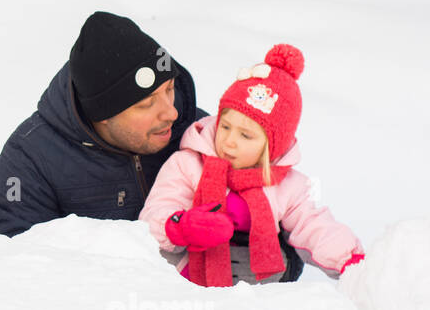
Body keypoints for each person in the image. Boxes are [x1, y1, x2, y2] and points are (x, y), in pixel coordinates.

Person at [138, 44, 363, 286]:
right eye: (225, 127)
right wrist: (180, 227)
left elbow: (315, 226)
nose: (229, 142)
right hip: (182, 285)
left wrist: (351, 262)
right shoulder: (188, 164)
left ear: (272, 147)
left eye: (245, 136)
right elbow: (154, 217)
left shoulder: (287, 186)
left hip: (253, 300)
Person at [0, 12, 204, 237]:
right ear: (102, 113)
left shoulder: (200, 134)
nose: (171, 112)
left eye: (169, 89)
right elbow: (7, 257)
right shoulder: (30, 160)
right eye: (146, 103)